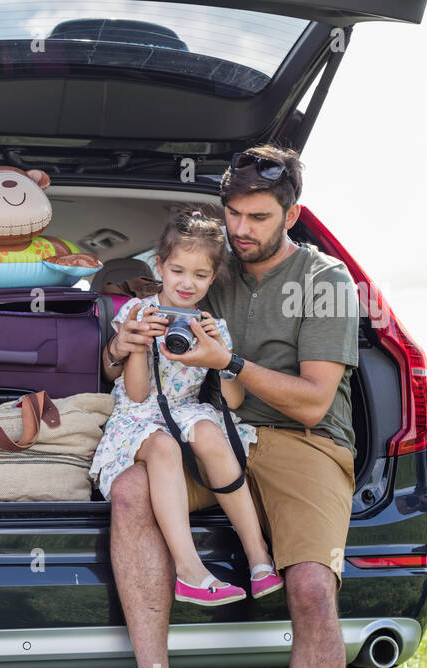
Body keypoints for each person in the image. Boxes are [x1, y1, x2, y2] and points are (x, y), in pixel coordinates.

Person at [94, 145, 361, 668]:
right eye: (234, 213)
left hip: (303, 441)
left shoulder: (324, 280)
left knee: (309, 589)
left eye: (259, 217)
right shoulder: (213, 270)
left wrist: (230, 358)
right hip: (214, 430)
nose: (242, 228)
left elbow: (309, 401)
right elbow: (148, 312)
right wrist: (124, 336)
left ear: (292, 215)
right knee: (129, 489)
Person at [88, 210, 283, 613]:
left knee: (212, 435)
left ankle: (259, 557)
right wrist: (140, 343)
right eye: (177, 270)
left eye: (200, 275)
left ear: (213, 278)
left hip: (188, 412)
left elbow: (231, 403)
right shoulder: (136, 314)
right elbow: (139, 395)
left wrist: (219, 357)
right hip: (138, 416)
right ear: (159, 266)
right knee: (163, 448)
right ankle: (190, 571)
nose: (186, 283)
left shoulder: (212, 325)